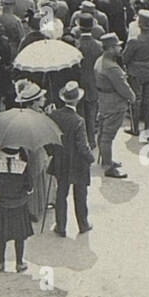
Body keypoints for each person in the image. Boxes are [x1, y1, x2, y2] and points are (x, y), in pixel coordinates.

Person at [48, 80, 94, 237]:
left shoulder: (54, 115)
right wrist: (90, 158)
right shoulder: (79, 120)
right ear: (77, 99)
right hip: (78, 162)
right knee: (80, 194)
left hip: (61, 160)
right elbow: (82, 146)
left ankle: (60, 226)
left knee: (61, 193)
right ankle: (83, 224)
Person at [92, 34, 133, 178]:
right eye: (117, 46)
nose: (120, 48)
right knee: (108, 135)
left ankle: (106, 159)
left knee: (103, 132)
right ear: (110, 49)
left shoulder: (100, 61)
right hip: (115, 103)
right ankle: (109, 167)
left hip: (104, 101)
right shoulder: (111, 67)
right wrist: (132, 97)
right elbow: (122, 87)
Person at [0, 146, 32, 272]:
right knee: (20, 236)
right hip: (19, 205)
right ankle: (19, 263)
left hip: (2, 205)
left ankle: (1, 262)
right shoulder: (23, 166)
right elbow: (29, 185)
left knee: (0, 236)